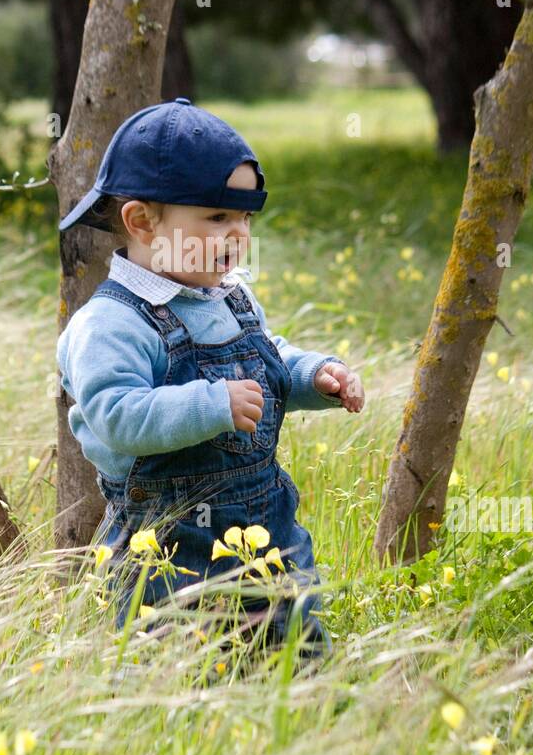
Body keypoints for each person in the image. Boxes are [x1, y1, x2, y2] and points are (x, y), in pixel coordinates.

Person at [56, 97, 364, 660]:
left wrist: (312, 376)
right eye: (218, 217)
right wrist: (210, 403)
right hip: (169, 547)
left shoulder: (231, 297)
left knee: (296, 657)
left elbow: (265, 364)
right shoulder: (110, 323)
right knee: (175, 672)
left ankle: (306, 727)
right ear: (142, 222)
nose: (238, 233)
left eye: (245, 218)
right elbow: (117, 415)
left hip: (268, 534)